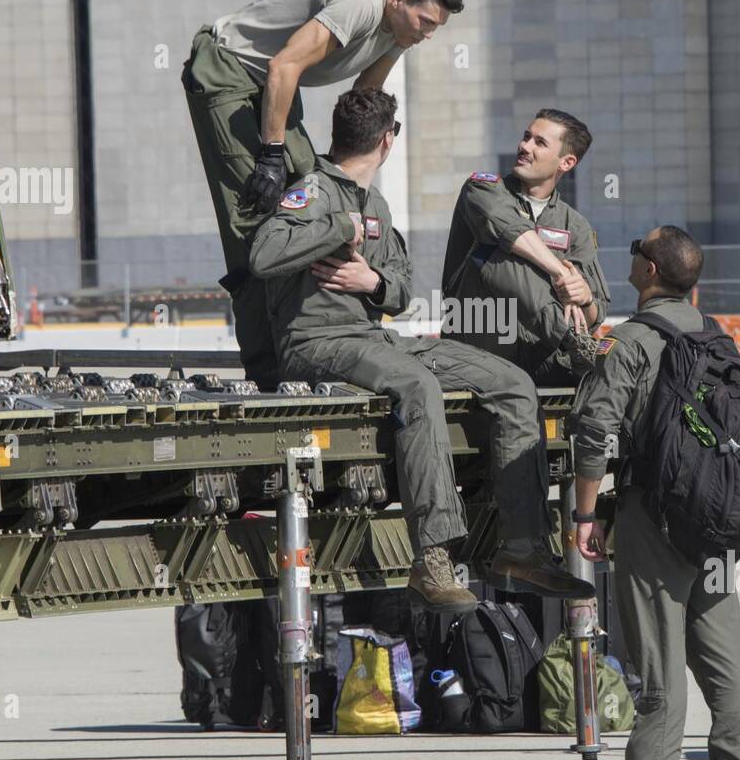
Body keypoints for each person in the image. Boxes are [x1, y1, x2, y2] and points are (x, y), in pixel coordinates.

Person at [250, 89, 596, 613]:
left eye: (537, 139)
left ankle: (523, 548)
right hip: (315, 343)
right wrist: (340, 227)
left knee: (512, 384)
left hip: (374, 338)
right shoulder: (314, 192)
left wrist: (372, 283)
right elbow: (264, 254)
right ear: (388, 142)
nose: (524, 145)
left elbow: (402, 289)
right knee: (417, 386)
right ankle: (431, 556)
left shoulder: (378, 204)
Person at [183, 0, 463, 386]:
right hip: (229, 70)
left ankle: (321, 332)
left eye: (436, 28)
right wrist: (272, 155)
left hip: (273, 87)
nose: (428, 33)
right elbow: (284, 65)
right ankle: (267, 368)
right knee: (258, 213)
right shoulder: (361, 5)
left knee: (308, 199)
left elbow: (364, 96)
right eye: (425, 21)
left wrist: (345, 169)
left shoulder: (399, 31)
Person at [568, 226, 740, 760]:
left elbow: (593, 431)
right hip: (718, 524)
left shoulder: (629, 341)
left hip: (656, 524)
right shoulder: (717, 336)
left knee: (659, 685)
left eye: (637, 250)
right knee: (731, 680)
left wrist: (584, 515)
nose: (632, 256)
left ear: (650, 271)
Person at [440, 110, 610, 385]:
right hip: (476, 349)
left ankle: (577, 346)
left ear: (566, 162)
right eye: (526, 137)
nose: (524, 146)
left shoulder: (574, 225)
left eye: (539, 143)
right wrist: (559, 271)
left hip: (540, 357)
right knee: (495, 253)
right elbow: (511, 231)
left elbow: (593, 316)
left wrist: (584, 296)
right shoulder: (482, 189)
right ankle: (567, 338)